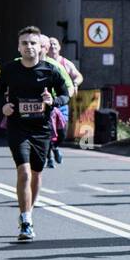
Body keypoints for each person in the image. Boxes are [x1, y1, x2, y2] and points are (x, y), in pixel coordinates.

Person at [0, 27, 71, 241]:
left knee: (37, 174)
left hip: (42, 128)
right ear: (18, 47)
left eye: (33, 43)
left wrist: (53, 101)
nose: (29, 46)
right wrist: (4, 106)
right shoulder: (10, 69)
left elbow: (65, 94)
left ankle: (29, 208)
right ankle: (26, 220)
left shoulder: (50, 70)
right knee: (25, 173)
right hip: (17, 127)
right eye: (24, 43)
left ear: (41, 47)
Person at [44, 37, 82, 167]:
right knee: (48, 131)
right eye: (51, 44)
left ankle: (55, 147)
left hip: (61, 103)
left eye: (55, 44)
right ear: (46, 48)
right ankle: (49, 158)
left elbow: (78, 76)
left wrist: (75, 84)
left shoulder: (65, 63)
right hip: (47, 104)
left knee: (61, 133)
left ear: (59, 47)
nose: (53, 46)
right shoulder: (42, 62)